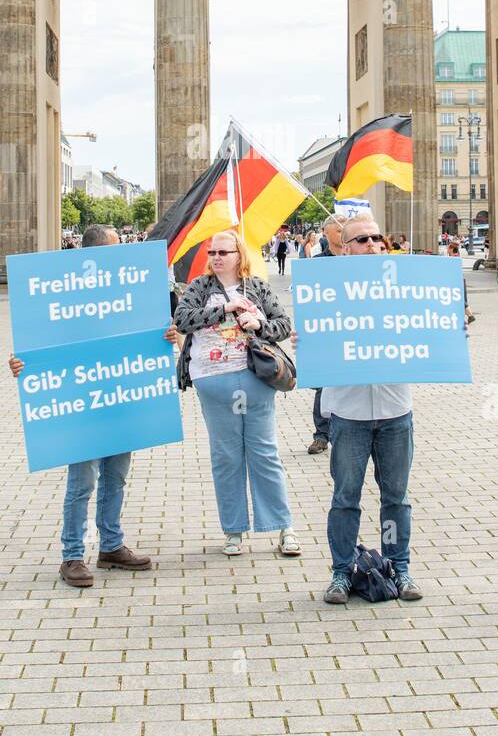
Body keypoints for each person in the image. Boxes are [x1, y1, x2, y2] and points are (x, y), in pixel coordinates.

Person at [9, 224, 172, 587]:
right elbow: (43, 336)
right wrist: (23, 364)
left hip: (121, 397)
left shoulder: (128, 290)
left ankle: (111, 545)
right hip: (82, 402)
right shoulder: (67, 292)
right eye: (117, 249)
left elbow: (144, 332)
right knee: (82, 482)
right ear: (99, 253)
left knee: (116, 477)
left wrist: (166, 337)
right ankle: (72, 555)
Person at [304, 216, 422, 606]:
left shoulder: (406, 288)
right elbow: (313, 342)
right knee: (345, 496)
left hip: (394, 408)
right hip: (349, 412)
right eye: (362, 239)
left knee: (396, 497)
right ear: (344, 248)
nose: (372, 243)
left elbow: (427, 329)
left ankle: (397, 566)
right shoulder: (326, 291)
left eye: (377, 238)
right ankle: (341, 572)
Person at [174, 228, 300, 558]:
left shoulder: (256, 286)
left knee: (264, 453)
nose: (216, 258)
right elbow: (183, 319)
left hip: (255, 377)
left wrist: (259, 325)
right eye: (212, 253)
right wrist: (227, 309)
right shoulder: (200, 287)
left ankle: (282, 527)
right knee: (225, 457)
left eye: (223, 253)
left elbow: (283, 325)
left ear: (238, 255)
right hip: (212, 382)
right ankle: (233, 530)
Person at [308, 214, 347, 456]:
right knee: (324, 386)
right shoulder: (317, 263)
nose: (342, 234)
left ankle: (346, 433)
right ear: (326, 234)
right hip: (326, 332)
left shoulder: (358, 261)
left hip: (353, 330)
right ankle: (321, 435)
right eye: (338, 230)